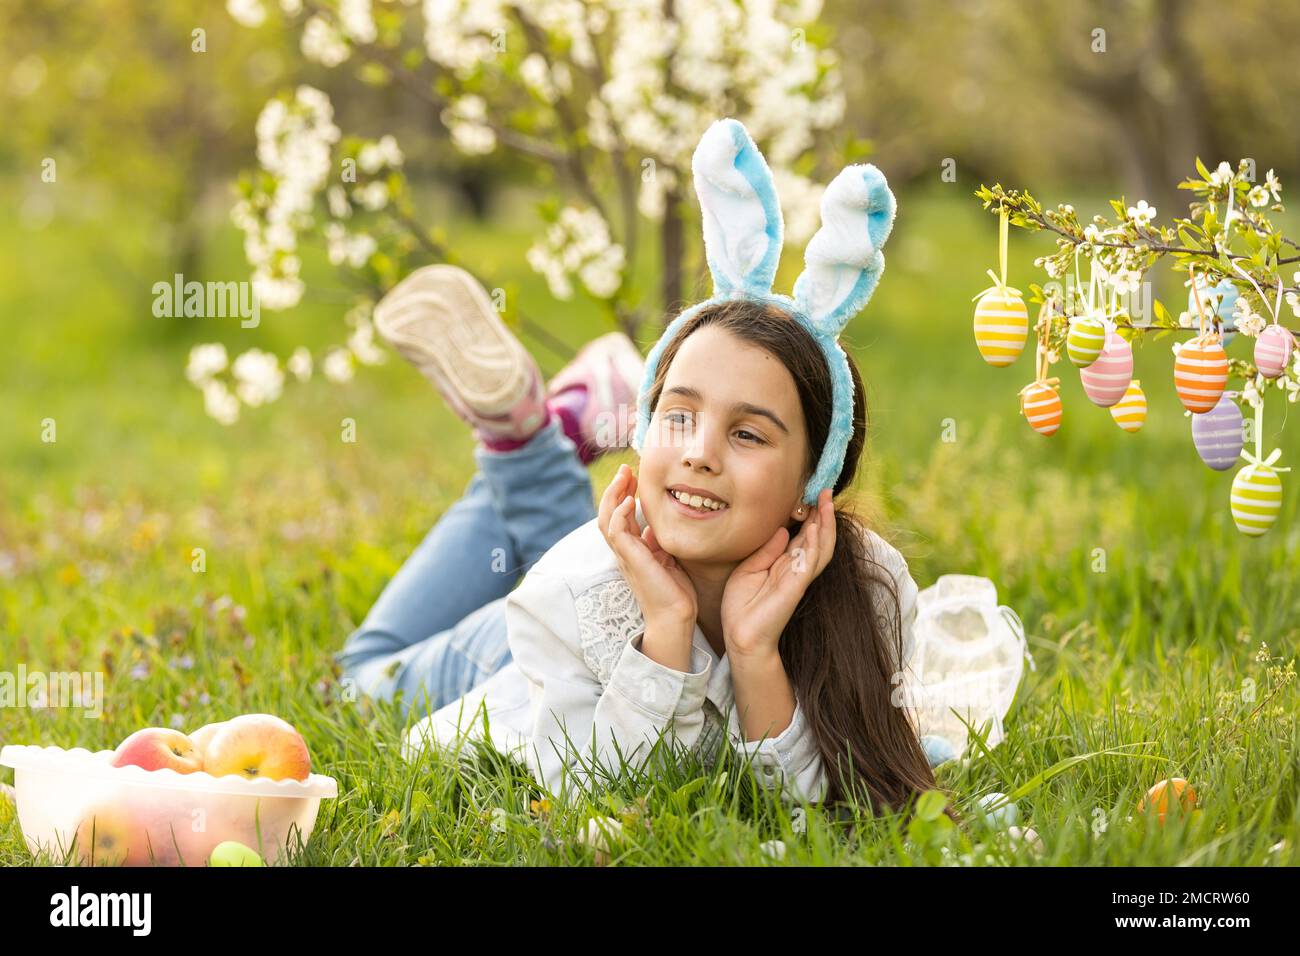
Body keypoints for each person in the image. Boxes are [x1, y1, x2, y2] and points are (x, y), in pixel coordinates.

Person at [339, 117, 943, 813]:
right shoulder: (570, 593)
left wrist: (753, 653)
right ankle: (529, 441)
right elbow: (598, 795)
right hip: (526, 658)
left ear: (814, 484)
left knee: (631, 544)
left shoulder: (868, 593)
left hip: (610, 577)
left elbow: (817, 806)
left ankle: (541, 436)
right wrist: (665, 631)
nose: (698, 451)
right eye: (678, 415)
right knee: (361, 680)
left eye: (747, 435)